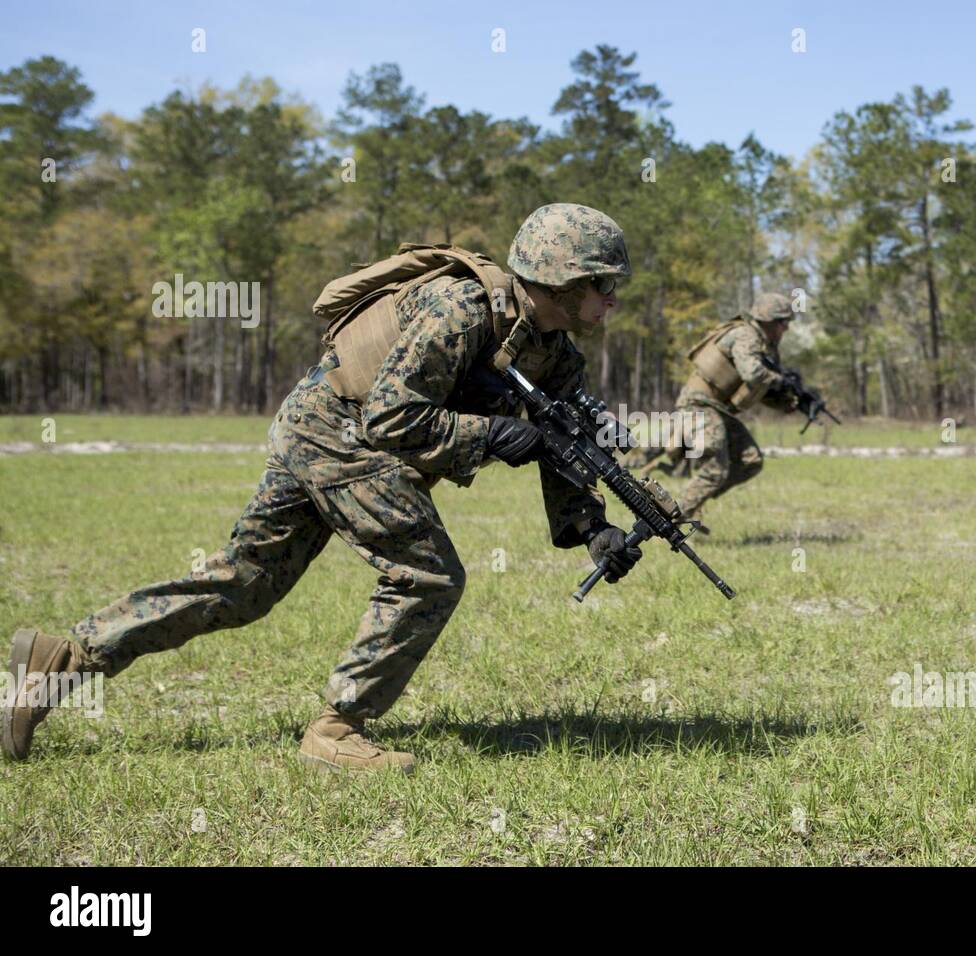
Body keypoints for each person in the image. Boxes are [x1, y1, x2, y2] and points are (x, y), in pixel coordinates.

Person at [2, 203, 645, 773]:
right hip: (336, 430)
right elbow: (393, 417)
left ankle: (62, 659)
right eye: (605, 286)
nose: (612, 301)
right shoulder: (461, 311)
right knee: (428, 576)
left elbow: (560, 441)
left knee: (245, 583)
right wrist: (495, 437)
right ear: (564, 279)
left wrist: (593, 527)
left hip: (332, 431)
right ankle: (337, 730)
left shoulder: (556, 351)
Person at [671, 292, 802, 533]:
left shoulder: (765, 347)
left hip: (717, 410)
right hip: (698, 405)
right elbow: (753, 373)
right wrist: (782, 380)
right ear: (768, 320)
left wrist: (790, 401)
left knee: (750, 460)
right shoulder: (746, 336)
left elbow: (758, 389)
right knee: (715, 468)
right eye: (783, 322)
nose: (786, 329)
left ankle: (690, 505)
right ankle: (669, 517)